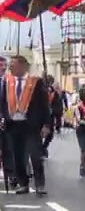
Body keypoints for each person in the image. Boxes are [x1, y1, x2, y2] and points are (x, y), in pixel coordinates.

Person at [0, 55, 52, 195]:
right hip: (13, 125)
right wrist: (3, 117)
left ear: (22, 66)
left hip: (31, 125)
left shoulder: (36, 82)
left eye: (13, 64)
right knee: (18, 157)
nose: (10, 67)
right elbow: (3, 103)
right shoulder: (7, 81)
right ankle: (23, 184)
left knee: (35, 156)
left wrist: (47, 124)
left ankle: (40, 185)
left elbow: (44, 105)